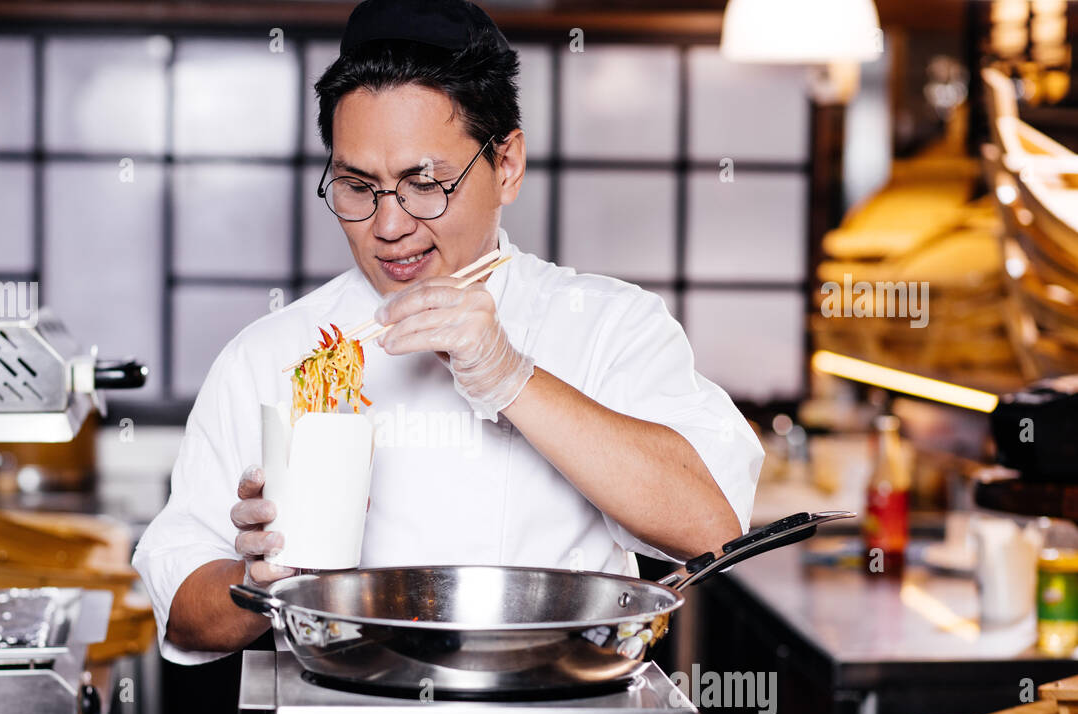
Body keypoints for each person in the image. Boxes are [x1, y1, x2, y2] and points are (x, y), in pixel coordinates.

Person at [133, 0, 764, 665]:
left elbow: (710, 525)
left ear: (508, 164)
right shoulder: (278, 352)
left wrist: (510, 375)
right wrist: (258, 583)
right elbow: (180, 613)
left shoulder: (608, 325)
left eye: (424, 183)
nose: (389, 224)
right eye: (356, 185)